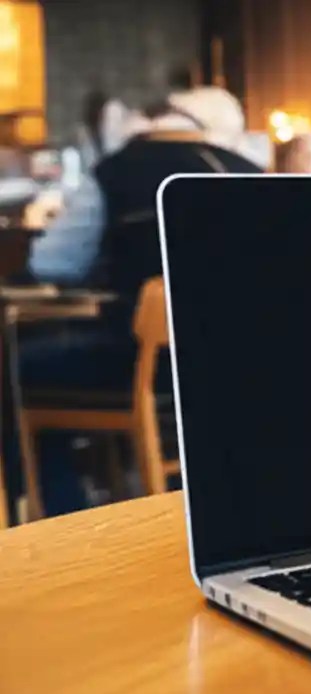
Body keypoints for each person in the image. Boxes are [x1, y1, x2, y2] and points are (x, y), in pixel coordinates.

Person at [6, 87, 262, 518]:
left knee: (15, 371)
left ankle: (60, 519)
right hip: (234, 366)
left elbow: (55, 262)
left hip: (140, 365)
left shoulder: (116, 171)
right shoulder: (252, 173)